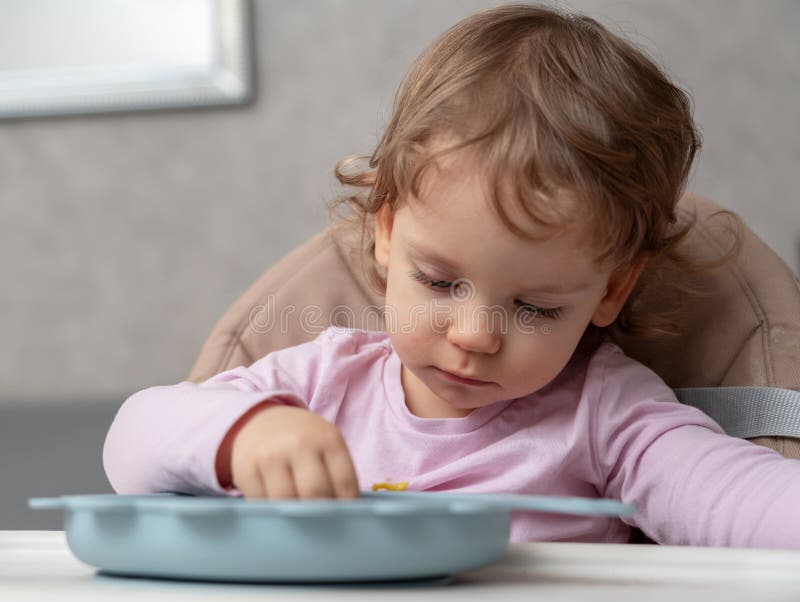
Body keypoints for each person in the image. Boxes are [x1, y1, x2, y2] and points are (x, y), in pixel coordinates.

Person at [103, 3, 800, 547]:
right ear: (383, 231)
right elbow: (132, 442)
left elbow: (733, 499)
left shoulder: (603, 414)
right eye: (439, 282)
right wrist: (246, 435)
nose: (474, 336)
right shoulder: (319, 384)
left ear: (612, 289)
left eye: (533, 307)